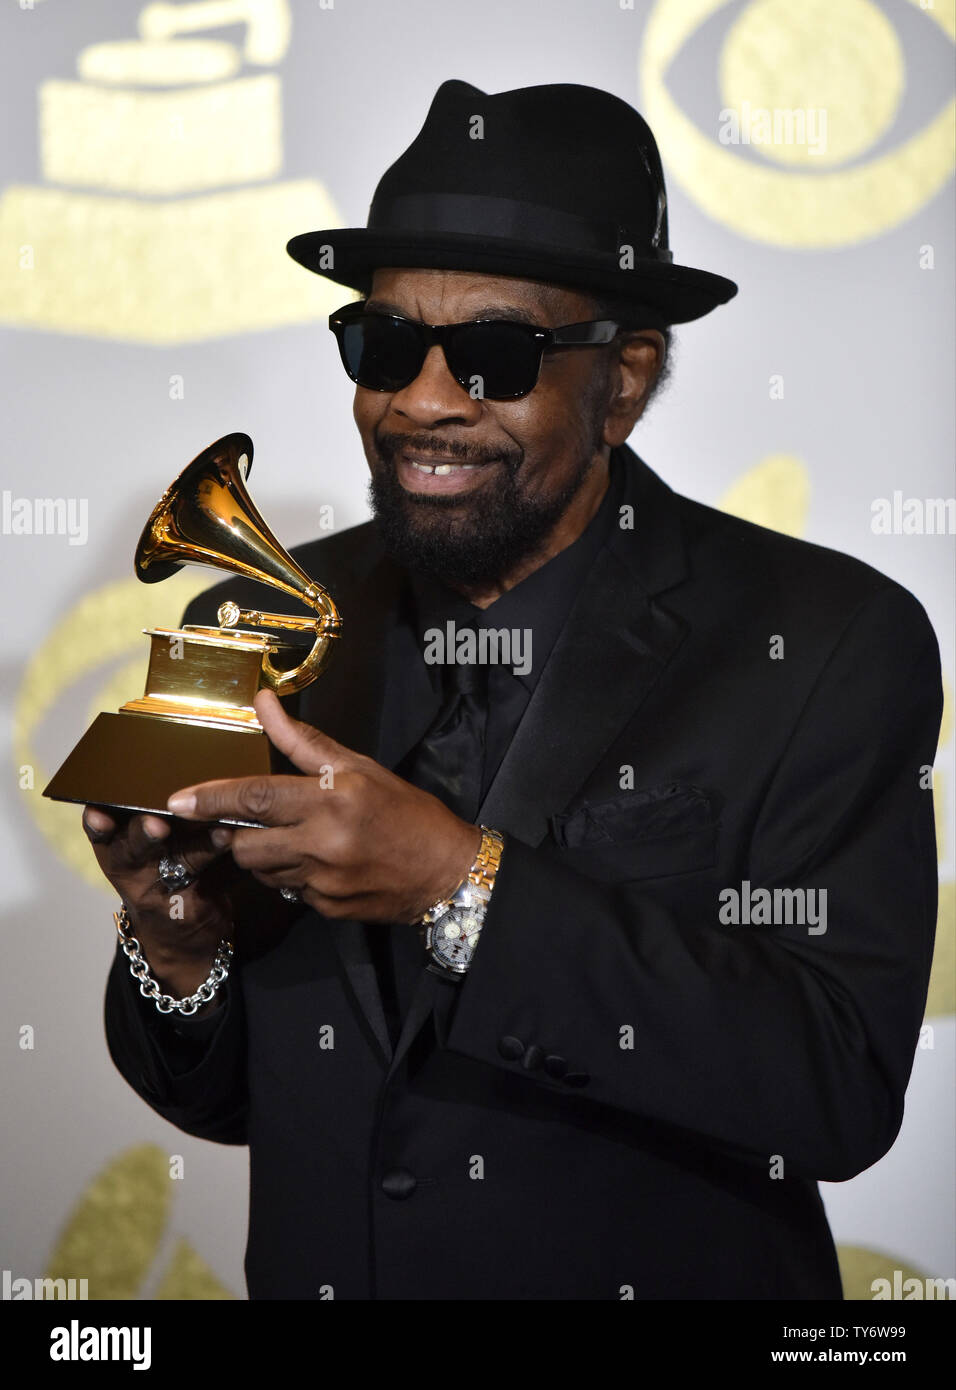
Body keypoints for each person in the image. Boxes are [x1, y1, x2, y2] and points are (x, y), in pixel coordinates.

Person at [86, 81, 942, 1300]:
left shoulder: (826, 639)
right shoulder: (256, 623)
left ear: (626, 379)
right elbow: (229, 1098)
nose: (422, 401)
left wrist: (458, 884)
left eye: (492, 353)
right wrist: (178, 939)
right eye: (381, 344)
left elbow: (835, 1087)